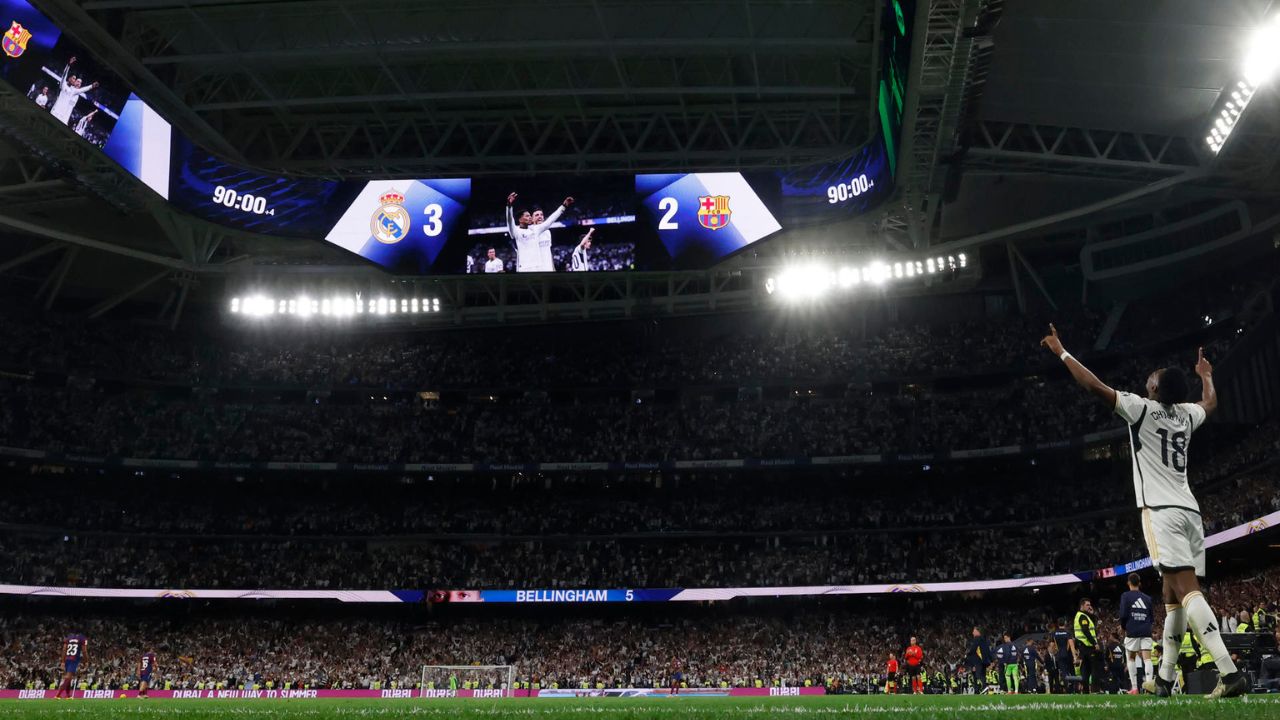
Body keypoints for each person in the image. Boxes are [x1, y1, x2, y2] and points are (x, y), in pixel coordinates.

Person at [1041, 327, 1246, 699]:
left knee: (1187, 591)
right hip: (1190, 511)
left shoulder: (1141, 409)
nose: (1149, 376)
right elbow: (1210, 404)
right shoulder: (1185, 414)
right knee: (1171, 596)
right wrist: (1206, 376)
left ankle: (1229, 672)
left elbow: (1094, 386)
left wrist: (1062, 352)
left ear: (1155, 388)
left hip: (1162, 511)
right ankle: (1164, 680)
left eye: (1153, 376)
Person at [504, 192, 573, 273]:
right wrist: (509, 206)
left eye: (530, 216)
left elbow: (550, 220)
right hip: (524, 269)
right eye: (527, 216)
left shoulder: (536, 230)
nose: (530, 217)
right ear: (520, 219)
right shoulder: (516, 231)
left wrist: (563, 206)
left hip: (538, 268)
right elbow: (509, 220)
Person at [1120, 572, 1155, 694]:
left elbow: (1123, 614)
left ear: (1128, 583)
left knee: (1131, 659)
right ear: (1139, 583)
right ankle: (1149, 687)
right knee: (1147, 659)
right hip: (1146, 631)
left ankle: (1135, 688)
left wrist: (1124, 627)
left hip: (1132, 630)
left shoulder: (1126, 596)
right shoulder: (1147, 598)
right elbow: (1151, 618)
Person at [50, 57, 98, 126]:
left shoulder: (74, 91)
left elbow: (83, 89)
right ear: (69, 79)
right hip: (54, 112)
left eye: (75, 79)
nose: (74, 80)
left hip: (63, 118)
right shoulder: (63, 85)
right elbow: (64, 74)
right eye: (73, 78)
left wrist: (92, 86)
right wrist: (68, 65)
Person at [1069, 598, 1100, 693]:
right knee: (1095, 668)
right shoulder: (1082, 616)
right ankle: (1095, 690)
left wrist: (1092, 614)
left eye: (1090, 605)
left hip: (1083, 646)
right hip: (1087, 646)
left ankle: (1086, 691)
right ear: (1082, 606)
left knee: (1086, 669)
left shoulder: (1083, 616)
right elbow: (1086, 631)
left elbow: (1092, 627)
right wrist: (1095, 643)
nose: (1089, 607)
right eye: (1087, 605)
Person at [55, 633, 87, 699]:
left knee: (69, 678)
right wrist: (86, 661)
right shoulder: (82, 638)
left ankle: (68, 695)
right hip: (74, 660)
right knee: (68, 678)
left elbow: (64, 649)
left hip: (67, 659)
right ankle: (57, 695)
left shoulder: (69, 637)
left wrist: (63, 661)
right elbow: (84, 651)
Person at [1050, 618, 1074, 693]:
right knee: (1071, 670)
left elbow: (1052, 646)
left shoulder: (1054, 633)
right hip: (1068, 654)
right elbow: (1071, 644)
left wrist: (1053, 654)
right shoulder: (1068, 632)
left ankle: (1067, 687)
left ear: (1058, 624)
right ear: (1065, 623)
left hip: (1059, 655)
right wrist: (1075, 656)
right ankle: (1073, 687)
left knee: (1063, 671)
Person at [965, 627, 991, 693]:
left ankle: (984, 686)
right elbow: (987, 651)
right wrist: (990, 660)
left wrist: (968, 653)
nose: (972, 633)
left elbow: (973, 649)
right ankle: (981, 690)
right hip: (984, 660)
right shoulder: (984, 640)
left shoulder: (977, 639)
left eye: (974, 631)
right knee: (981, 674)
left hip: (978, 660)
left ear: (977, 631)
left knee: (978, 674)